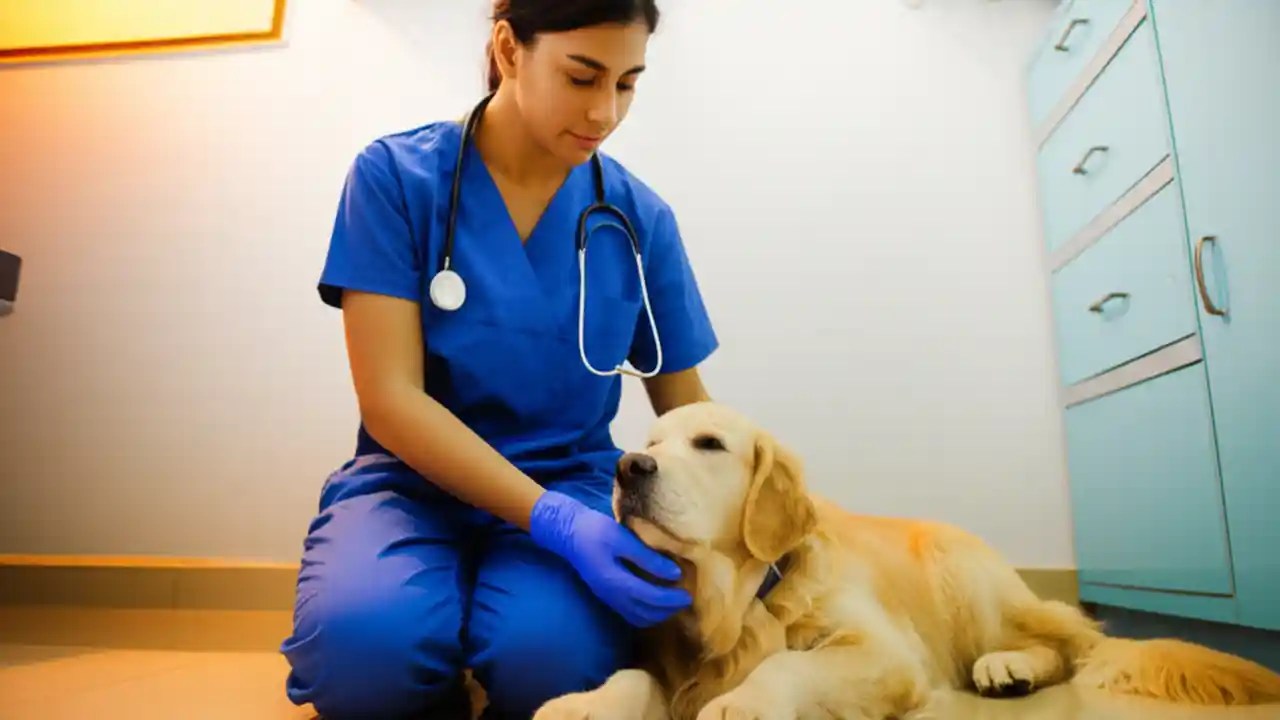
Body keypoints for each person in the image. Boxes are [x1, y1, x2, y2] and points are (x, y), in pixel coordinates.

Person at [279, 1, 719, 718]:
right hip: (410, 483)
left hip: (572, 481)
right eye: (582, 77)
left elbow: (690, 412)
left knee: (556, 666)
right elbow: (390, 401)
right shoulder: (395, 179)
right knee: (362, 657)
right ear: (510, 48)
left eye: (628, 83)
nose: (605, 112)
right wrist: (551, 524)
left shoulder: (639, 220)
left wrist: (758, 532)